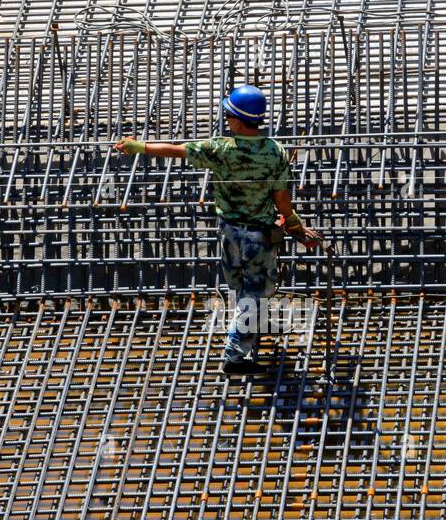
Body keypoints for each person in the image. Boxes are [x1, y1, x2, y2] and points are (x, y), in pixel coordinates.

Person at [114, 84, 326, 376]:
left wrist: (138, 146)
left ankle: (244, 340)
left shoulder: (220, 148)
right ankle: (237, 354)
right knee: (256, 290)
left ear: (238, 119)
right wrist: (293, 224)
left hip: (229, 234)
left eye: (228, 115)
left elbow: (177, 150)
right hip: (258, 236)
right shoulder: (275, 151)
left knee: (242, 287)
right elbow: (282, 198)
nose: (226, 120)